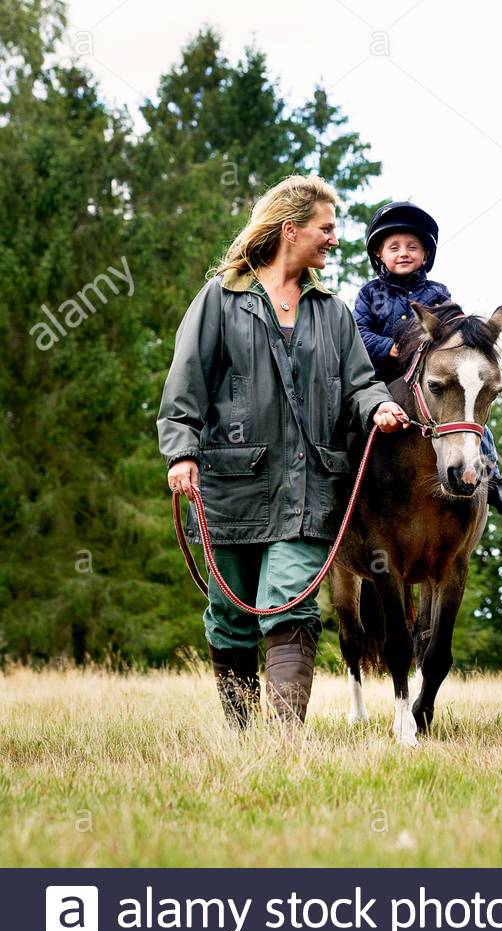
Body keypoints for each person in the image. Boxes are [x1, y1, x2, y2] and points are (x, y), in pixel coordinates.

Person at [157, 174, 412, 729]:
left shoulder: (333, 311)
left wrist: (376, 407)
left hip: (308, 489)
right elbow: (185, 385)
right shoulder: (220, 301)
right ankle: (242, 733)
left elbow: (360, 382)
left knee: (291, 606)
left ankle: (282, 745)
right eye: (326, 229)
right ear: (290, 230)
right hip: (229, 486)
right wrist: (181, 452)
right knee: (230, 616)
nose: (334, 240)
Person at [354, 201, 502, 514]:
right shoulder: (369, 293)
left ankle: (493, 477)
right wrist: (386, 347)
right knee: (349, 419)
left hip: (428, 376)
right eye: (394, 247)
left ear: (425, 256)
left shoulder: (437, 292)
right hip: (381, 378)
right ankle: (342, 478)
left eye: (412, 247)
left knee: (469, 417)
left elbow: (458, 329)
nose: (403, 252)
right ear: (379, 254)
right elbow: (358, 332)